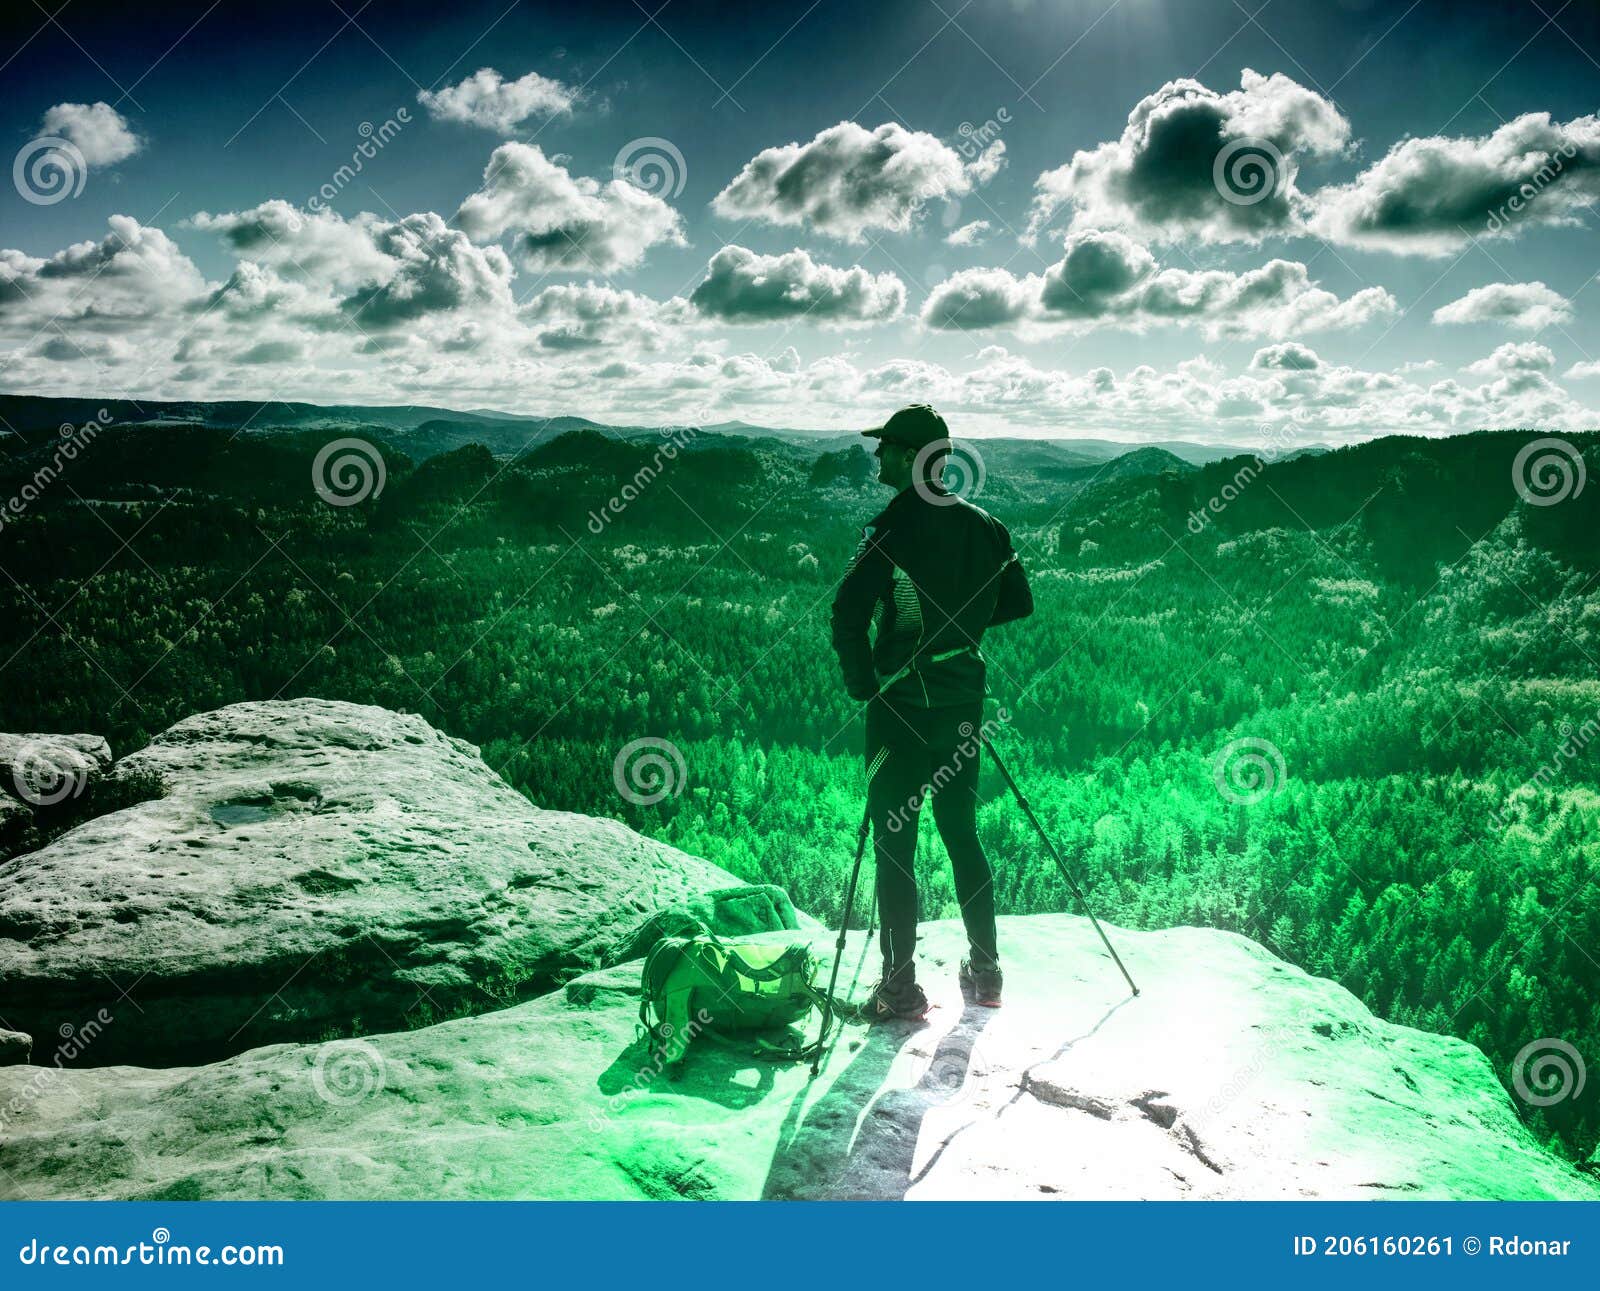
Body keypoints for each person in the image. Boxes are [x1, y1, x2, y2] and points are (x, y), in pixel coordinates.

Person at [829, 404, 1033, 1021]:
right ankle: (987, 970)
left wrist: (865, 683)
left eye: (885, 445)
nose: (876, 455)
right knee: (961, 833)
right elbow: (1019, 602)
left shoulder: (888, 529)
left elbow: (844, 616)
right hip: (963, 704)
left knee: (895, 844)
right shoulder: (986, 526)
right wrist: (959, 630)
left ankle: (899, 988)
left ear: (911, 454)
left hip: (899, 710)